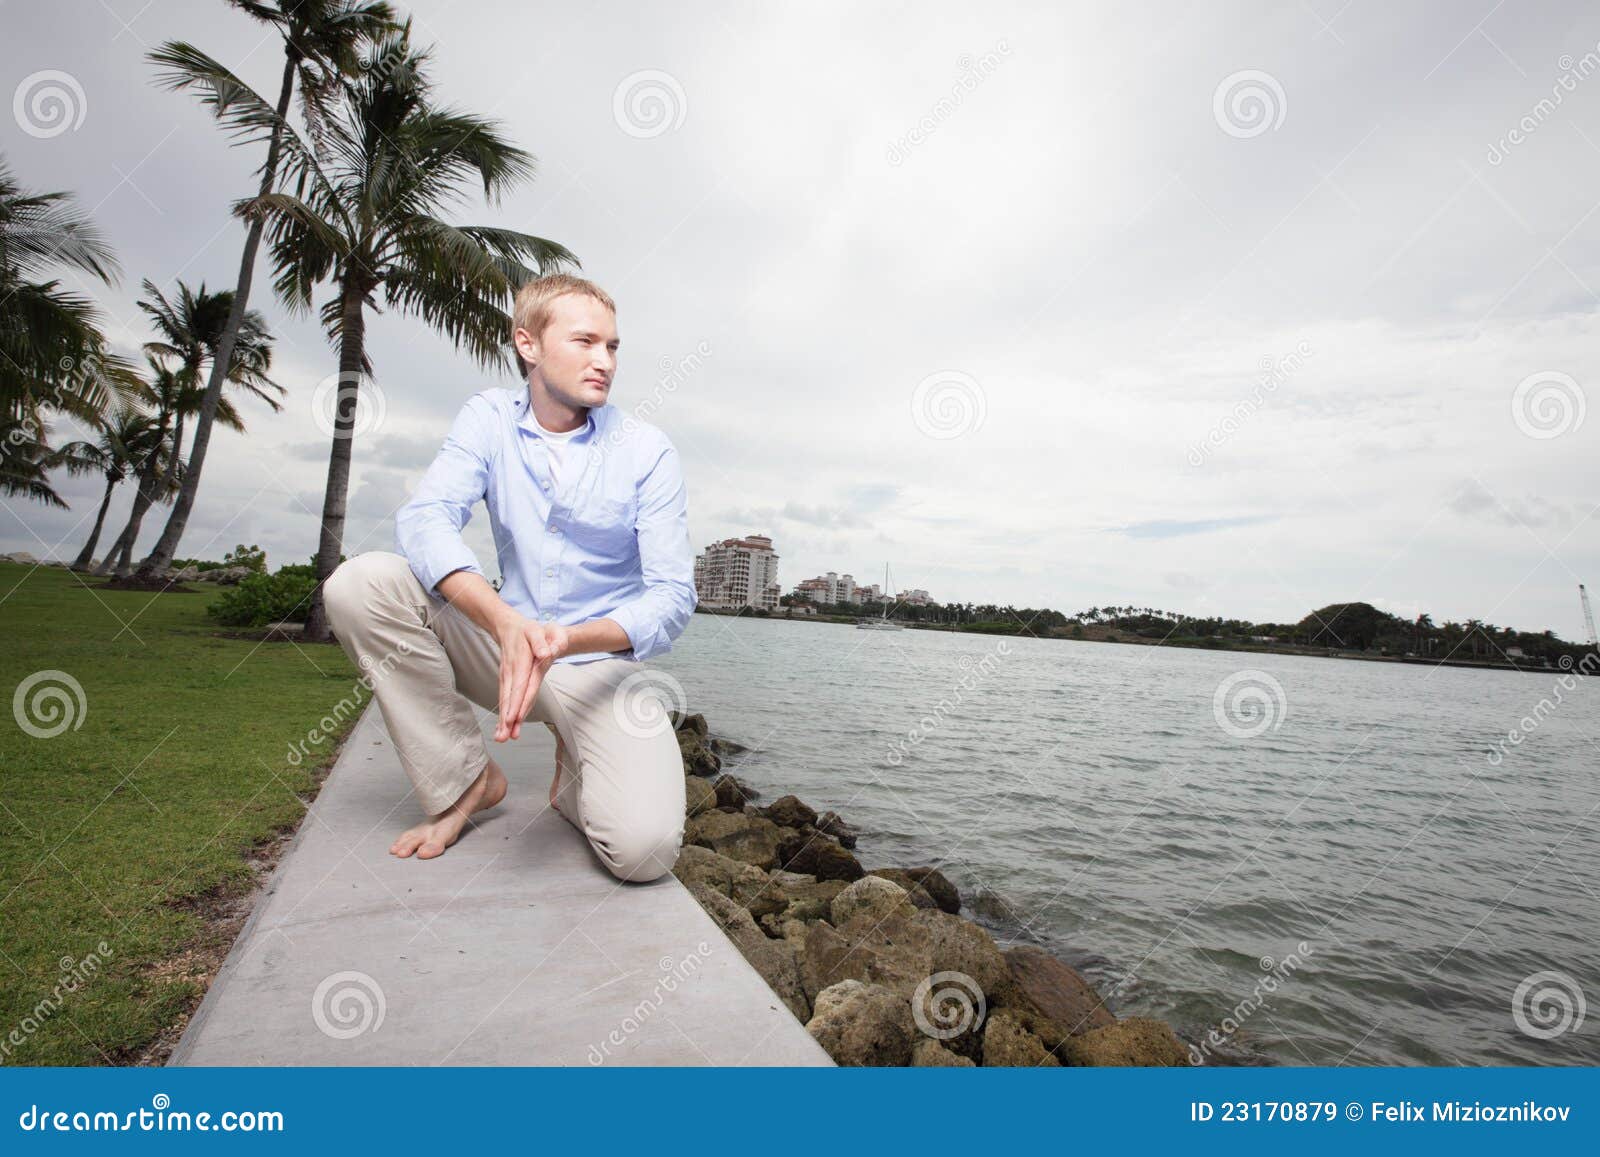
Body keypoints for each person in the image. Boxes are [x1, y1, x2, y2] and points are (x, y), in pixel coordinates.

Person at [322, 274, 697, 882]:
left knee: (643, 853)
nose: (604, 361)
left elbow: (674, 598)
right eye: (585, 342)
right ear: (528, 344)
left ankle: (574, 784)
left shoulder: (647, 450)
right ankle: (466, 782)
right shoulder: (489, 417)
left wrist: (565, 640)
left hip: (596, 665)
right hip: (500, 646)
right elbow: (425, 520)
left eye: (613, 347)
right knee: (359, 585)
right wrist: (504, 621)